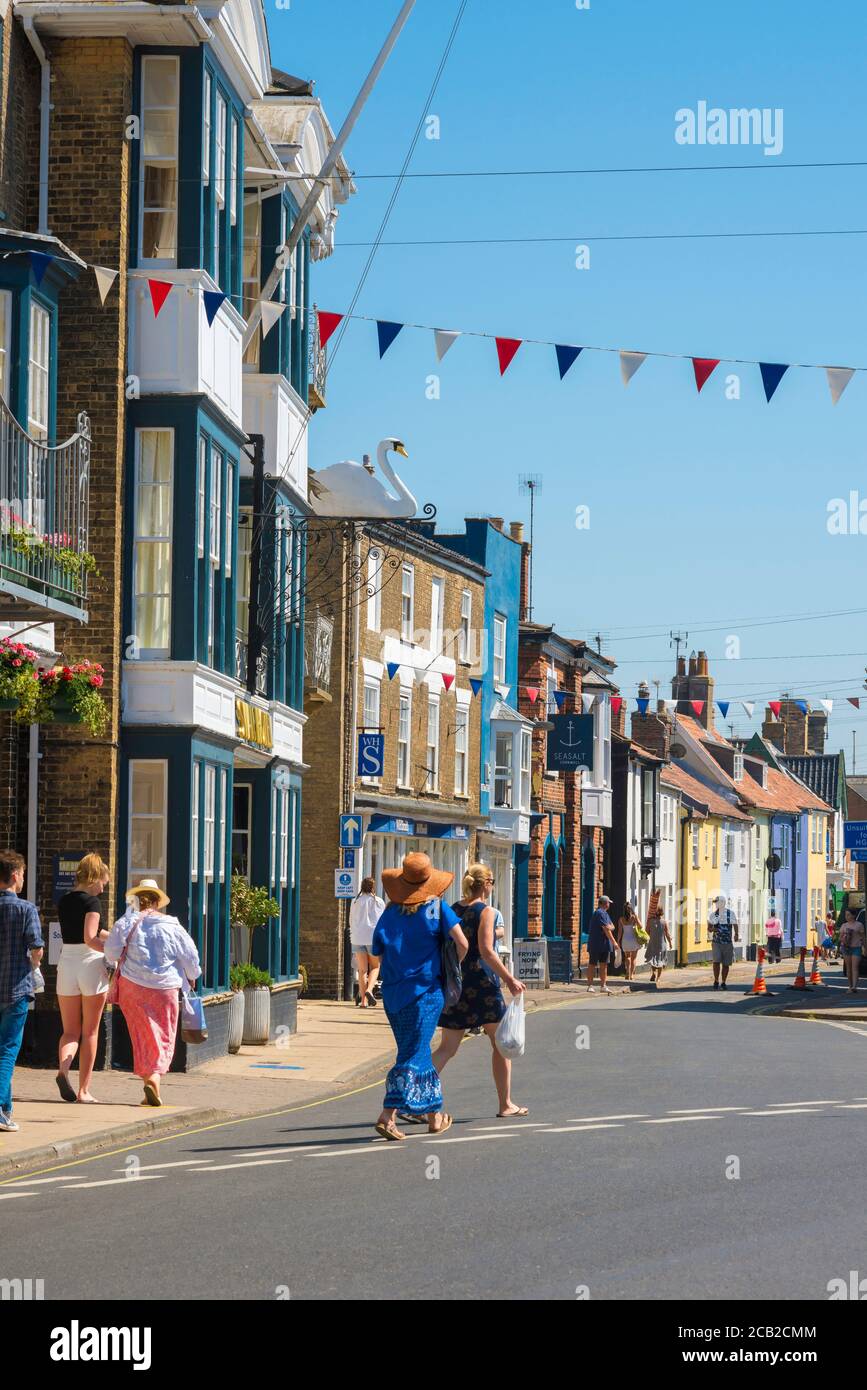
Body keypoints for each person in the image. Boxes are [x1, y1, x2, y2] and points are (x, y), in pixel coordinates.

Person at [368, 853, 468, 1141]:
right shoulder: (437, 908)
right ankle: (388, 1115)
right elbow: (462, 943)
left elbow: (377, 950)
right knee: (413, 1054)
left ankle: (434, 1115)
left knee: (418, 1049)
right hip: (426, 992)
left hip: (393, 994)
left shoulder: (389, 912)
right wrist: (450, 967)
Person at [433, 863, 527, 1118]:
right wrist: (509, 978)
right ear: (486, 884)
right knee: (501, 1045)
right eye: (492, 881)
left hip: (457, 984)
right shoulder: (486, 911)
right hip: (483, 986)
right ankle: (505, 1104)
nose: (492, 886)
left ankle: (415, 1097)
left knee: (447, 1049)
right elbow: (486, 950)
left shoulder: (453, 909)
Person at [104, 879, 201, 1107]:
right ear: (157, 901)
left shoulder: (125, 922)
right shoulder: (172, 926)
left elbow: (110, 952)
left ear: (136, 901)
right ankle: (155, 1077)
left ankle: (149, 1080)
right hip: (165, 988)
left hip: (132, 987)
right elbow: (191, 958)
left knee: (142, 1035)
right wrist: (192, 974)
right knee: (164, 1035)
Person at [55, 853, 111, 1104]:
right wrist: (114, 952)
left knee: (69, 1031)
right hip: (89, 964)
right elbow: (90, 937)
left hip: (66, 962)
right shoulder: (92, 903)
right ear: (95, 877)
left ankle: (63, 1071)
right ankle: (83, 1091)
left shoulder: (65, 900)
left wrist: (114, 936)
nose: (102, 888)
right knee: (90, 1031)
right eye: (103, 883)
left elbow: (86, 931)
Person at [0, 850, 43, 1133]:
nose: (24, 879)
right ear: (16, 875)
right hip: (15, 989)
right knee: (7, 1051)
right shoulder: (26, 909)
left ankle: (5, 1111)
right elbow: (36, 947)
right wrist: (35, 964)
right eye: (24, 874)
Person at [349, 877, 385, 1009]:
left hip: (357, 938)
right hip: (373, 938)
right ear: (373, 887)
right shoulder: (379, 902)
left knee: (362, 969)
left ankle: (363, 1001)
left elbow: (351, 921)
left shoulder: (355, 901)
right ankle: (370, 990)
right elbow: (382, 922)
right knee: (375, 967)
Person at [586, 894, 618, 994]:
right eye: (609, 903)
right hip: (596, 943)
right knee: (592, 964)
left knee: (604, 965)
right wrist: (614, 942)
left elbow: (612, 926)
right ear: (605, 903)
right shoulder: (600, 913)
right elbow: (606, 929)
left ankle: (603, 985)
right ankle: (590, 985)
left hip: (604, 944)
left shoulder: (605, 913)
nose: (609, 904)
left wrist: (610, 927)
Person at [708, 896, 740, 989]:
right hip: (716, 942)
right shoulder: (713, 915)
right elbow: (709, 928)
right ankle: (716, 980)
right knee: (716, 962)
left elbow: (735, 924)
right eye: (715, 903)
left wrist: (736, 934)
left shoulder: (730, 914)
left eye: (717, 902)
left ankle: (724, 982)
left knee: (726, 964)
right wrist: (713, 929)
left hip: (727, 943)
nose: (716, 904)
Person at [838, 908, 866, 994]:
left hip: (856, 948)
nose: (847, 916)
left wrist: (865, 947)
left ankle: (854, 986)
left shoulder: (859, 925)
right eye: (846, 915)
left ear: (853, 915)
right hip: (846, 948)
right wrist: (844, 938)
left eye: (848, 915)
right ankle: (850, 986)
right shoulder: (844, 925)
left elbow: (863, 937)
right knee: (848, 968)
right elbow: (839, 938)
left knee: (855, 967)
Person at [645, 904, 672, 985]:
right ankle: (658, 978)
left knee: (653, 959)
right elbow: (667, 934)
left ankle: (653, 973)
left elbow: (647, 932)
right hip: (661, 943)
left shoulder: (650, 921)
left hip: (653, 942)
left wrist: (647, 939)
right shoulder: (664, 922)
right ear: (662, 912)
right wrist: (670, 943)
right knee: (661, 960)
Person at [616, 902, 643, 981]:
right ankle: (631, 975)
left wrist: (618, 941)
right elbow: (640, 926)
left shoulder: (621, 919)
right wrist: (636, 917)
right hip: (633, 939)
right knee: (633, 958)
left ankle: (627, 971)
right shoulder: (634, 917)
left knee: (627, 957)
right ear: (631, 909)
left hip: (625, 939)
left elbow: (620, 931)